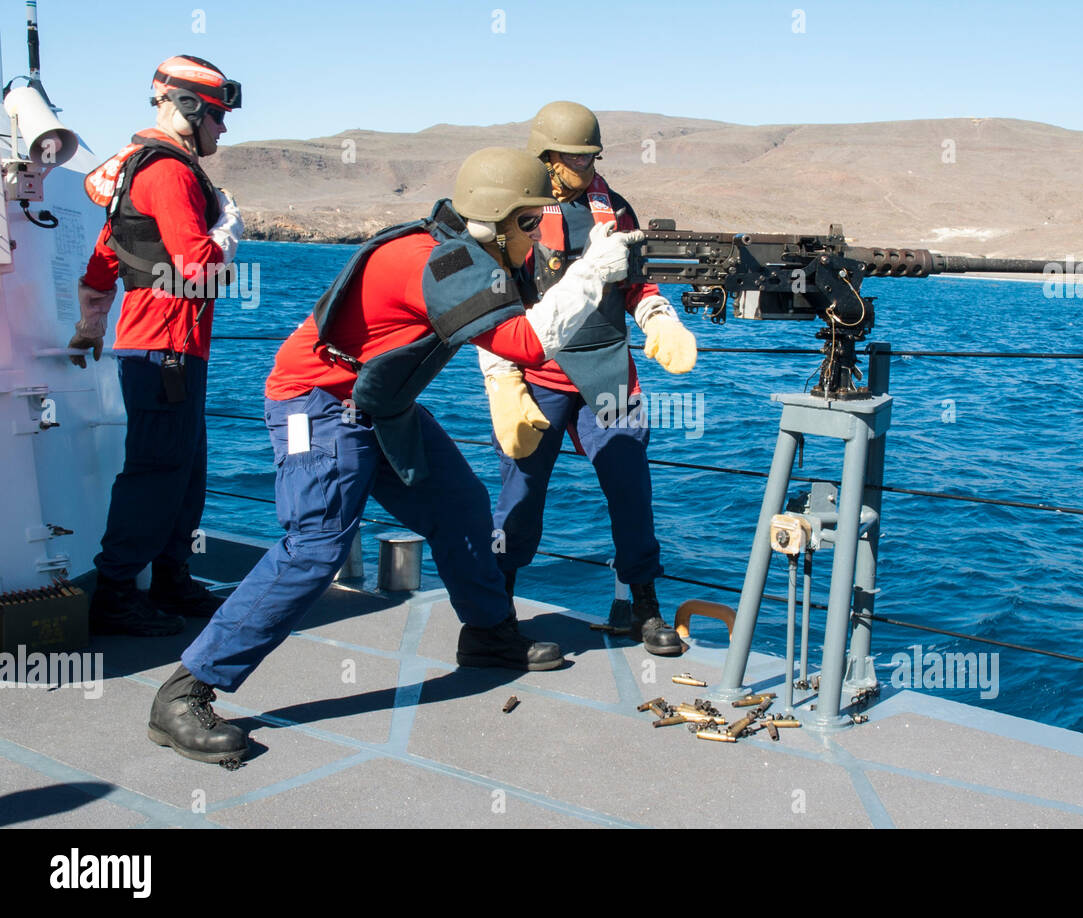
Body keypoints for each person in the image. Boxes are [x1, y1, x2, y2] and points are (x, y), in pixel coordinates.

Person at [147, 147, 646, 767]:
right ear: (497, 218)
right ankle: (185, 692)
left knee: (460, 505)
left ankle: (488, 635)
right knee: (316, 545)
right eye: (529, 221)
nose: (537, 235)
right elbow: (522, 341)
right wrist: (591, 271)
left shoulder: (472, 250)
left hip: (381, 400)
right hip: (316, 403)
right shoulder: (438, 262)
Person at [476, 101, 697, 656]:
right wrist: (503, 379)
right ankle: (494, 613)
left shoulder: (614, 209)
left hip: (607, 371)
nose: (586, 165)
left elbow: (635, 281)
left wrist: (657, 317)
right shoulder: (517, 212)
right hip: (537, 374)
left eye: (591, 156)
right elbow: (494, 301)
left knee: (631, 490)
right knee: (519, 497)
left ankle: (643, 607)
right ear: (548, 158)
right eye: (577, 156)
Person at [73, 55, 244, 636]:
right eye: (218, 116)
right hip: (165, 349)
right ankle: (116, 594)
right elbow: (197, 268)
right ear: (191, 108)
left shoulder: (135, 171)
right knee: (156, 472)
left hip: (159, 350)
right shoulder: (168, 173)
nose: (222, 129)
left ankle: (172, 579)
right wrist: (227, 233)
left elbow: (103, 260)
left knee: (185, 470)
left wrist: (91, 327)